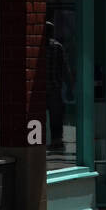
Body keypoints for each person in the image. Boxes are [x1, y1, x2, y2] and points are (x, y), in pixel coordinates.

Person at [44, 20, 73, 151]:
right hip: (54, 87)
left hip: (41, 89)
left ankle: (39, 141)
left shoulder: (38, 47)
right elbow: (64, 68)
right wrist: (69, 86)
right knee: (56, 116)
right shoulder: (57, 46)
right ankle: (57, 141)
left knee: (38, 116)